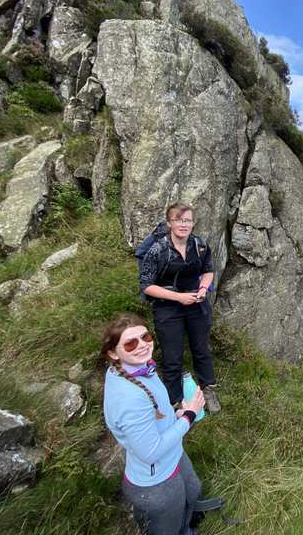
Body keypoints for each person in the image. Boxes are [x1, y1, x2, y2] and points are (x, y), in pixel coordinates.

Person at [101, 312, 206, 535]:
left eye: (145, 337)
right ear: (113, 353)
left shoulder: (140, 368)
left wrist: (176, 413)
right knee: (168, 527)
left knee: (193, 491)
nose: (141, 346)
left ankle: (187, 529)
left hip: (173, 455)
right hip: (155, 481)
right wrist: (189, 416)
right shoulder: (129, 398)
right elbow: (151, 452)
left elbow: (157, 410)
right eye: (130, 344)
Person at [139, 202, 220, 413]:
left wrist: (203, 288)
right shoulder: (158, 250)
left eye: (187, 220)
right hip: (168, 307)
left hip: (196, 303)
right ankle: (175, 402)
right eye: (178, 219)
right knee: (172, 356)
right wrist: (178, 297)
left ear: (193, 223)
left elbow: (208, 270)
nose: (183, 224)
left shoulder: (199, 245)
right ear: (169, 223)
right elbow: (146, 286)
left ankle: (208, 389)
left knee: (201, 349)